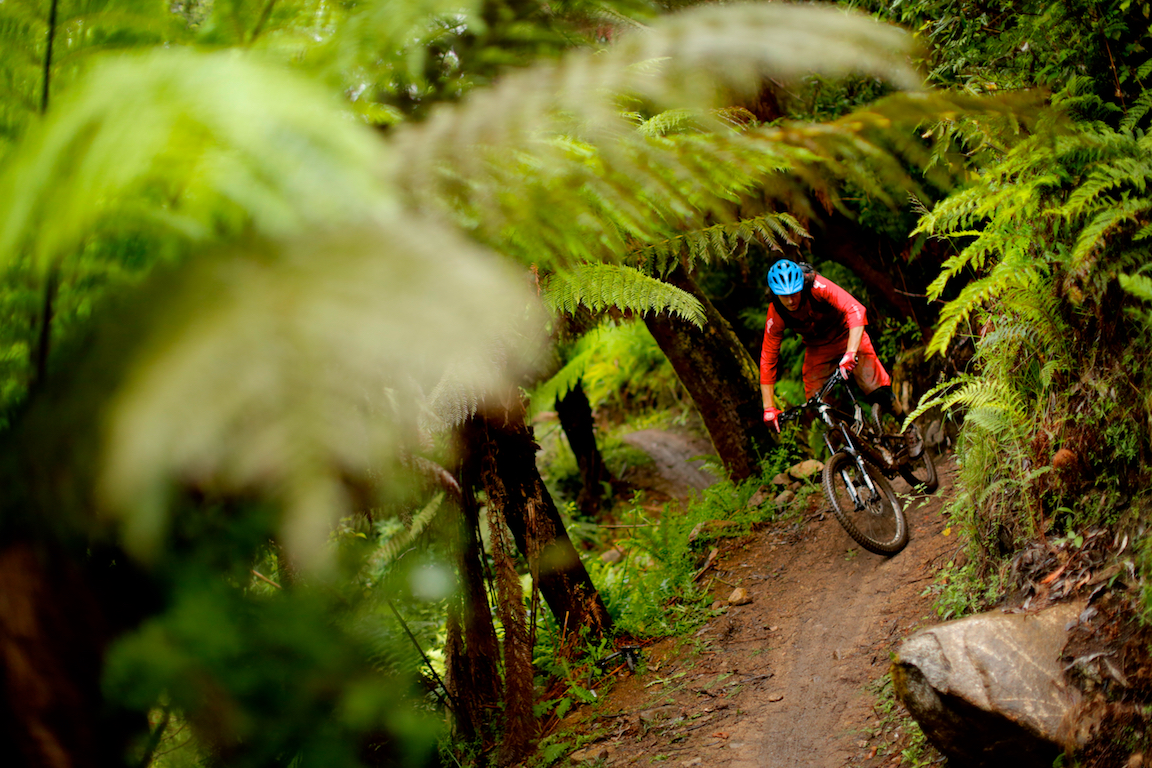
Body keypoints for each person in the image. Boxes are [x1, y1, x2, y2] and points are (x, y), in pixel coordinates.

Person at [758, 259, 920, 455]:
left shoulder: (817, 286)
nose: (791, 300)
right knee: (818, 404)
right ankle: (856, 447)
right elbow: (768, 358)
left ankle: (908, 426)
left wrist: (850, 353)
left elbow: (855, 309)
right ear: (776, 293)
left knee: (876, 389)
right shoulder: (776, 313)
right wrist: (769, 407)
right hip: (818, 348)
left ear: (801, 285)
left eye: (794, 293)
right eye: (785, 296)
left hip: (847, 335)